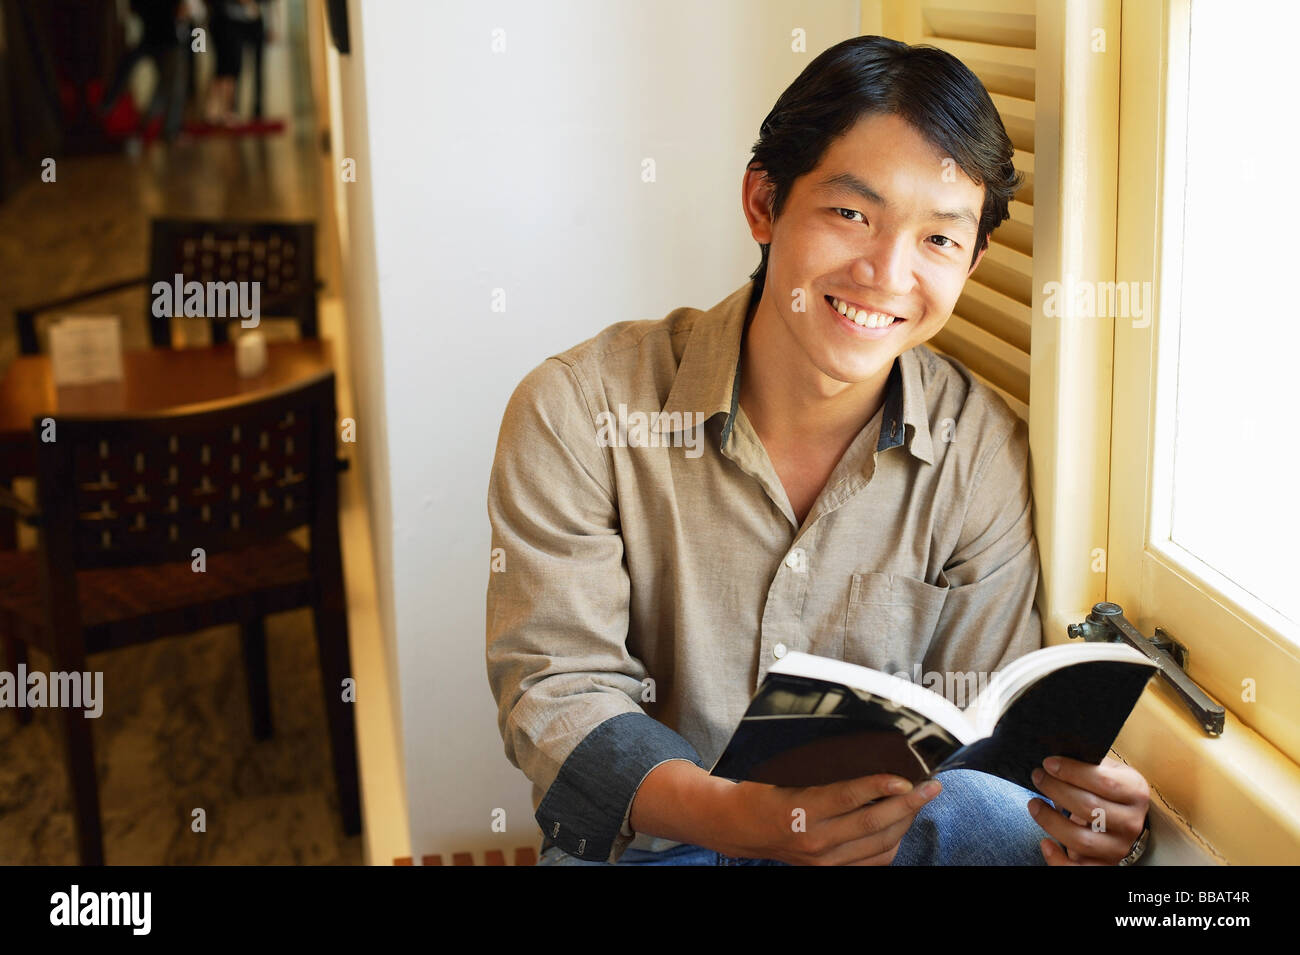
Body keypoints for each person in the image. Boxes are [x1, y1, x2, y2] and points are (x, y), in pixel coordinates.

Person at [485, 35, 1152, 866]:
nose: (886, 273)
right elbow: (557, 695)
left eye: (939, 240)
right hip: (655, 847)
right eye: (852, 214)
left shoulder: (980, 450)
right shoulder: (577, 408)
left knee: (996, 818)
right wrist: (748, 820)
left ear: (974, 260)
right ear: (764, 204)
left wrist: (1083, 815)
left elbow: (985, 731)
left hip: (883, 846)